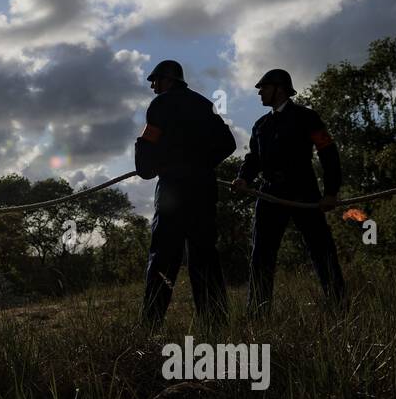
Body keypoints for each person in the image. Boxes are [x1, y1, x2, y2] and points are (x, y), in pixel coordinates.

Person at [232, 68, 346, 315]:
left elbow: (329, 154)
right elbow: (253, 158)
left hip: (304, 193)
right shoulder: (261, 125)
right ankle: (258, 314)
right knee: (261, 256)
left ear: (279, 89)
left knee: (322, 251)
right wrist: (243, 178)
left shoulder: (307, 117)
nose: (259, 92)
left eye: (263, 87)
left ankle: (340, 308)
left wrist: (331, 192)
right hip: (270, 195)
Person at [135, 59, 236, 325]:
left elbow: (148, 145)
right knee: (205, 257)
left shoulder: (161, 104)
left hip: (172, 194)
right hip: (203, 191)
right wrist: (203, 165)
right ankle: (216, 324)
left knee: (163, 260)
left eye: (155, 80)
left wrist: (149, 168)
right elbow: (228, 142)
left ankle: (151, 324)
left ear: (168, 80)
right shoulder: (204, 104)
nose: (153, 86)